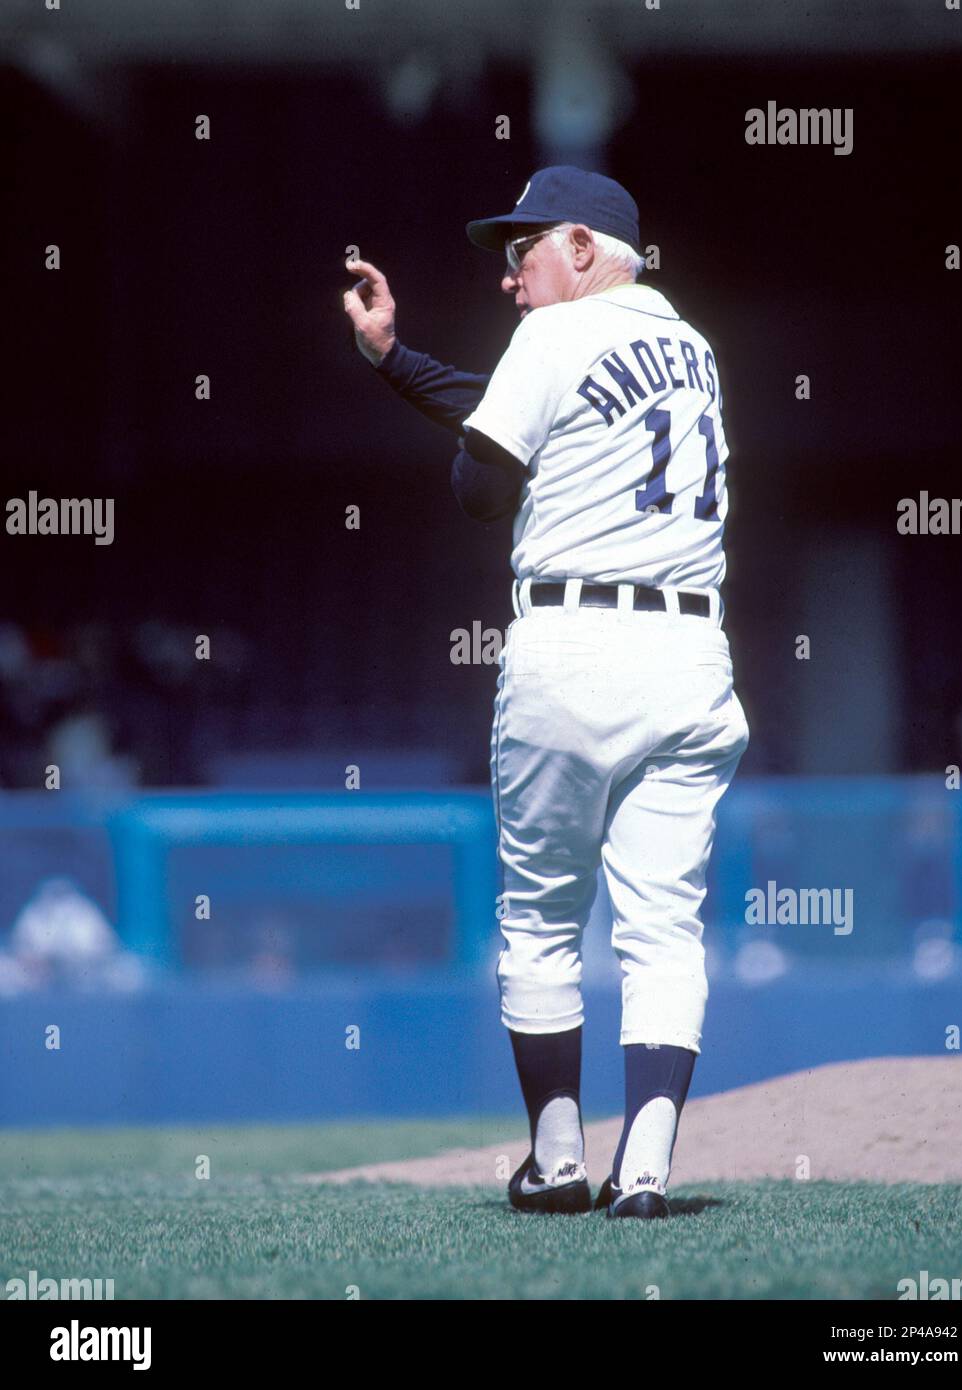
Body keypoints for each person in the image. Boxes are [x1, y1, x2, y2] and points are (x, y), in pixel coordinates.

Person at [343, 166, 749, 1219]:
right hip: (691, 655)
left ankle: (558, 1158)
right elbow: (537, 417)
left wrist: (452, 416)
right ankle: (647, 1167)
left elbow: (484, 486)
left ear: (579, 247)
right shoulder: (693, 346)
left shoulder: (554, 335)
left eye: (522, 252)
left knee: (539, 916)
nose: (509, 276)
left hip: (573, 647)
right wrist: (394, 359)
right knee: (664, 927)